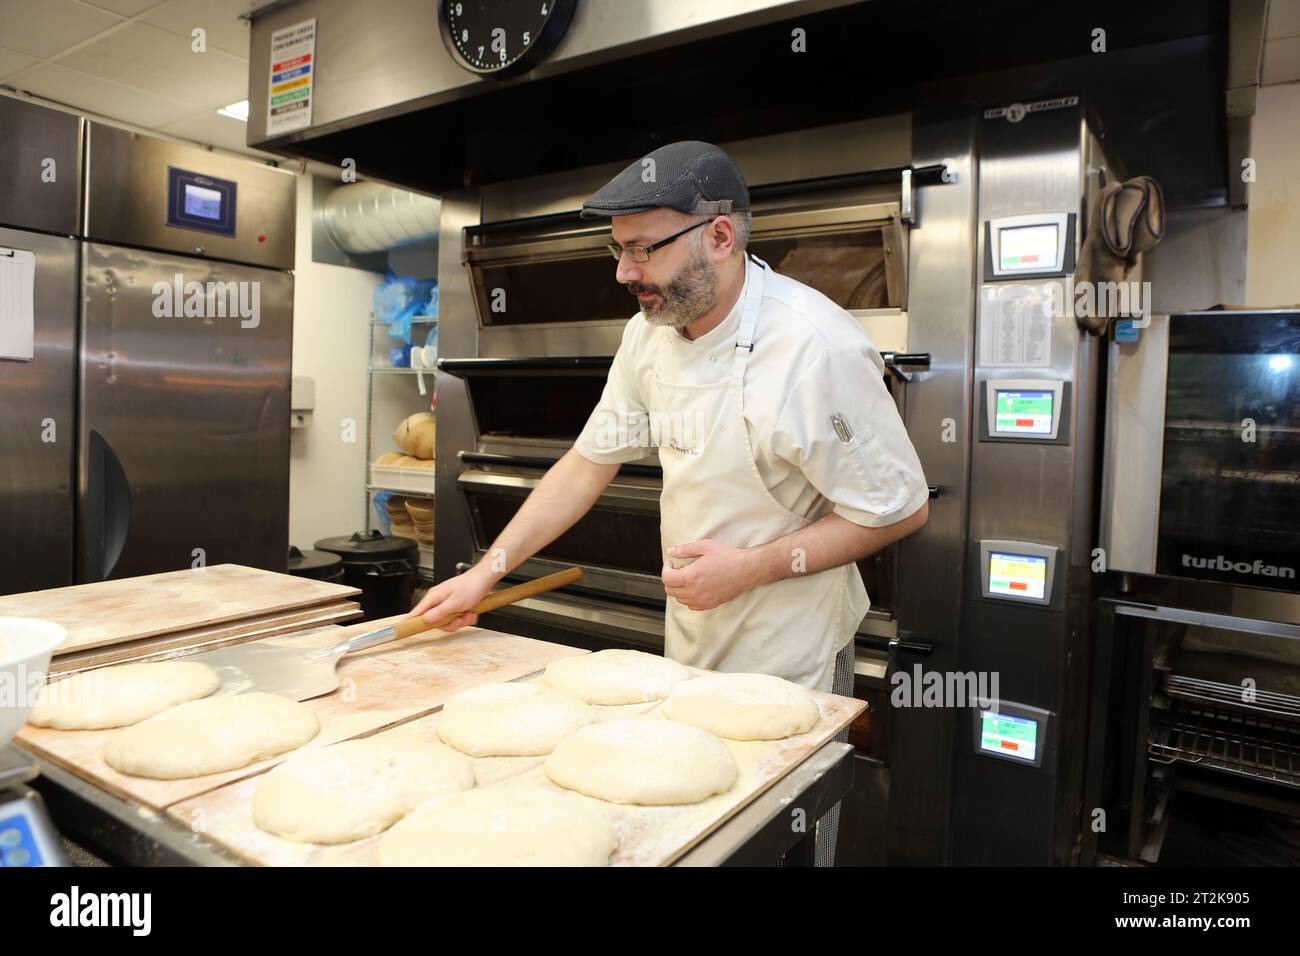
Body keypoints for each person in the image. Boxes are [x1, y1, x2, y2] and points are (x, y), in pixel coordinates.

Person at [411, 141, 929, 864]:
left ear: (719, 237)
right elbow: (587, 464)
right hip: (691, 636)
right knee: (703, 835)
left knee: (781, 841)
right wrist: (487, 570)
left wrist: (748, 570)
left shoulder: (815, 348)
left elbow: (899, 510)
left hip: (792, 647)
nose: (625, 274)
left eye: (643, 251)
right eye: (617, 251)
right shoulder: (648, 335)